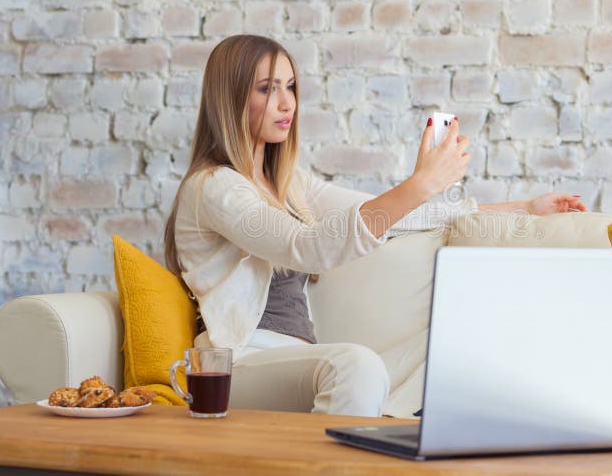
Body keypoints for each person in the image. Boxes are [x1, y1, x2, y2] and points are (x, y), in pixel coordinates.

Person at [163, 35, 587, 417]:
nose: (287, 103)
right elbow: (306, 246)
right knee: (356, 366)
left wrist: (525, 208)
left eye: (290, 87)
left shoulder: (291, 184)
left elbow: (392, 217)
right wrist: (420, 184)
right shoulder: (212, 188)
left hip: (297, 356)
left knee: (449, 341)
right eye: (267, 88)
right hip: (236, 364)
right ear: (229, 97)